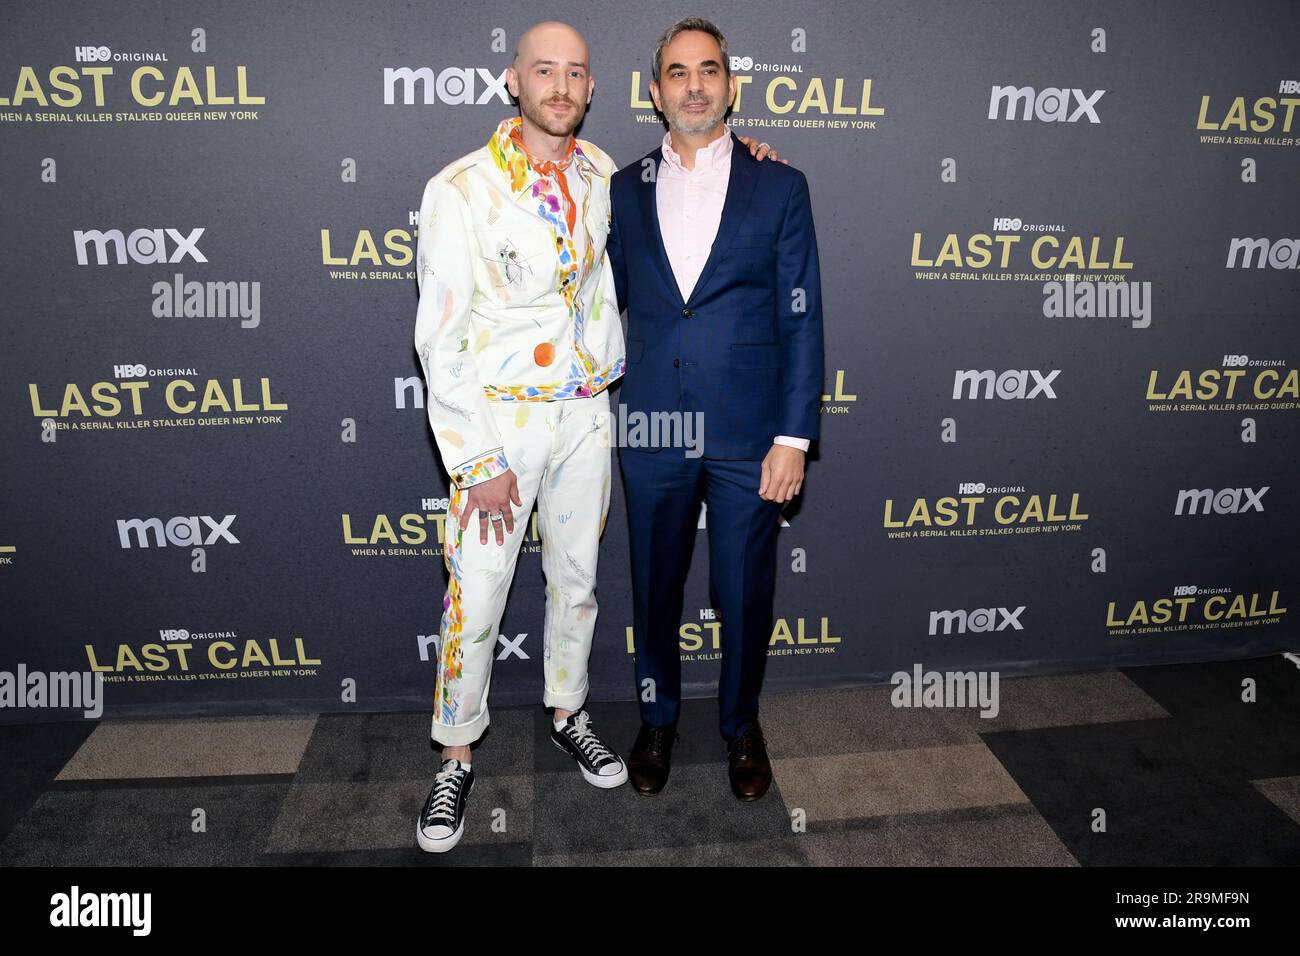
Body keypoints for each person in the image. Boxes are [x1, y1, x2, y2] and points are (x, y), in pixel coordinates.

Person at [412, 20, 783, 851]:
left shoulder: (603, 176)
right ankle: (454, 755)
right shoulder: (461, 189)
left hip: (587, 414)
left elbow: (700, 177)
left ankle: (568, 711)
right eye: (544, 70)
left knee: (577, 582)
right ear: (514, 80)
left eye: (576, 73)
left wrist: (739, 150)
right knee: (476, 595)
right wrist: (476, 460)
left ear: (591, 88)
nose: (561, 87)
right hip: (498, 424)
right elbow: (438, 340)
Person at [606, 16, 825, 801]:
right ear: (656, 91)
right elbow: (618, 302)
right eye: (676, 72)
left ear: (731, 85)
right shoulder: (621, 189)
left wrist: (794, 436)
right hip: (653, 428)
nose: (693, 84)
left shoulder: (780, 184)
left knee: (744, 593)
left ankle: (741, 725)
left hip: (749, 433)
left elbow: (802, 317)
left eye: (708, 70)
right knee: (655, 588)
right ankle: (657, 719)